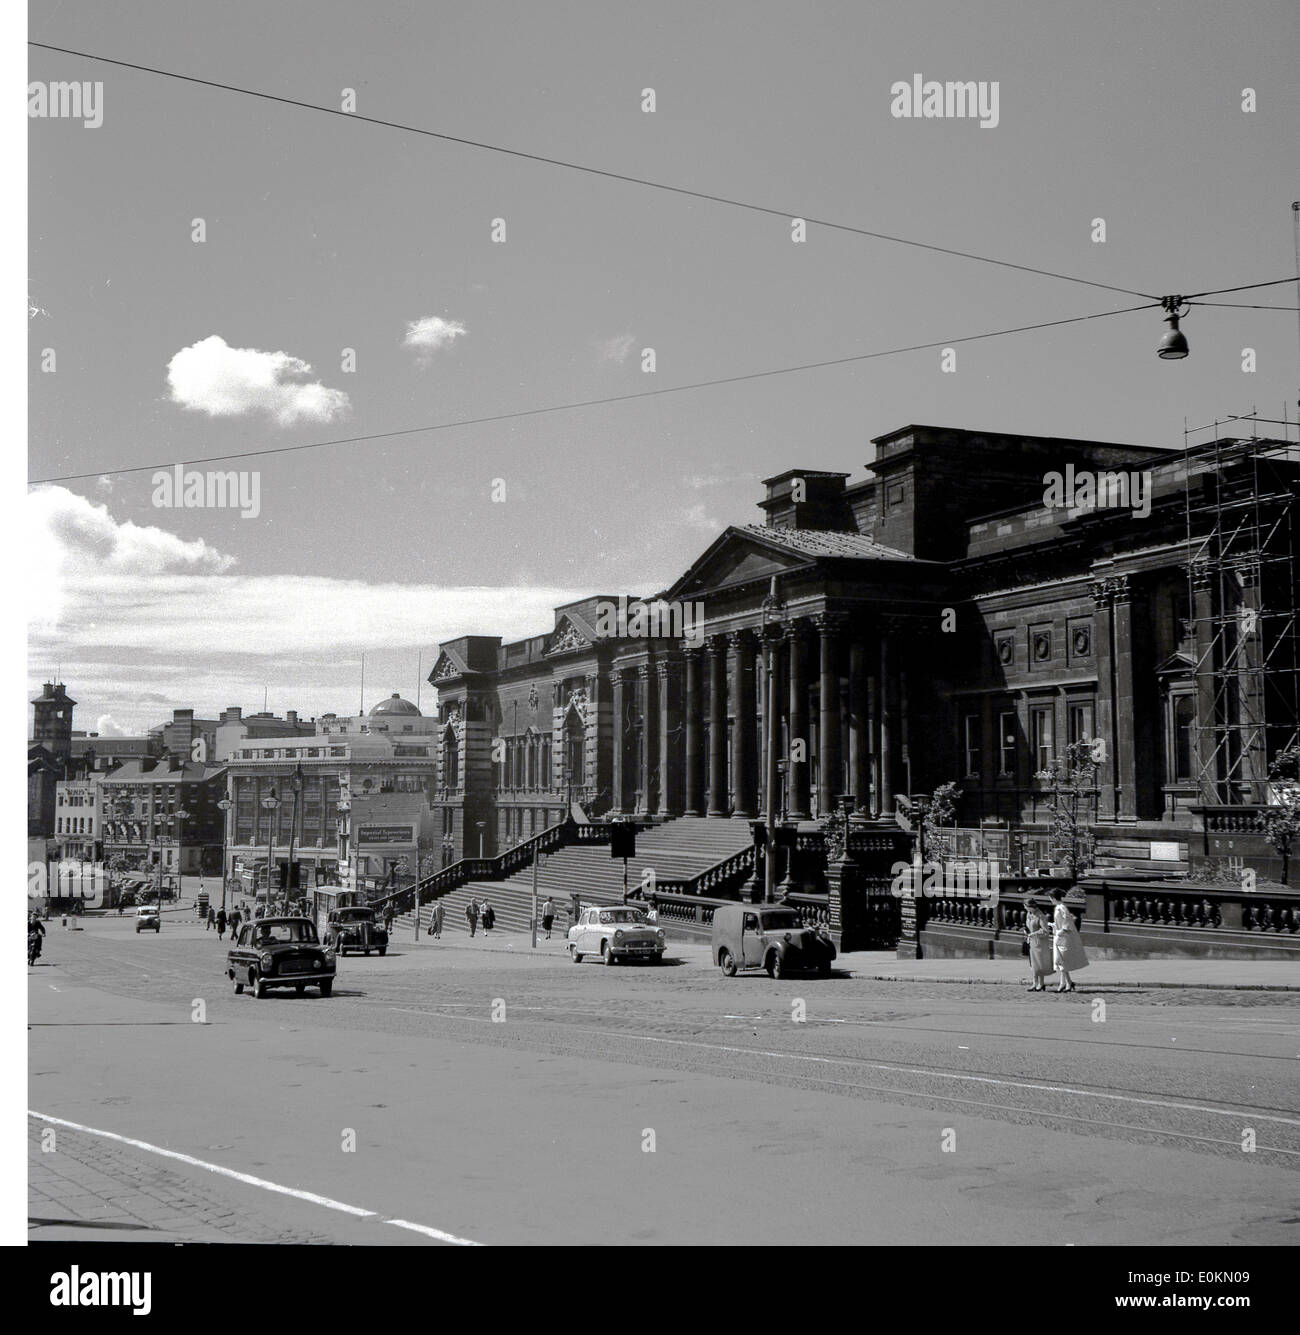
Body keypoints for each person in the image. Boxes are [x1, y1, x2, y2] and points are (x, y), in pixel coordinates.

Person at [1049, 887, 1088, 991]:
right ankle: (1065, 983)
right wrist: (1053, 925)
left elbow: (1066, 923)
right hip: (1060, 936)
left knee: (1062, 961)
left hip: (1063, 937)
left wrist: (1060, 931)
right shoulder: (1059, 907)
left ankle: (1067, 983)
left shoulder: (1061, 908)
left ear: (1053, 898)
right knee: (1061, 961)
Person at [1023, 897, 1052, 991]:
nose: (1024, 908)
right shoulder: (1029, 914)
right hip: (1031, 941)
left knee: (1039, 963)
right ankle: (1034, 983)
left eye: (1025, 906)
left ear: (1028, 906)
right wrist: (1026, 931)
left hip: (1040, 942)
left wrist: (1033, 934)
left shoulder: (1040, 916)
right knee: (1033, 964)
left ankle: (1041, 983)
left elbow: (1045, 930)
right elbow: (1029, 926)